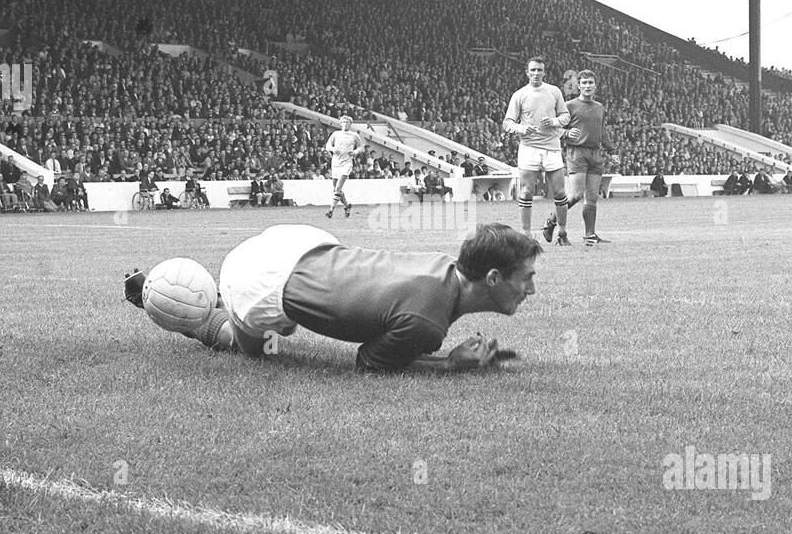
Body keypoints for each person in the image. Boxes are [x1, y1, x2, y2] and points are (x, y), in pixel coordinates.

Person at [123, 222, 539, 374]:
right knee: (251, 349)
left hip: (299, 242)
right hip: (259, 279)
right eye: (527, 279)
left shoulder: (442, 265)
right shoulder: (426, 324)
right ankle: (165, 298)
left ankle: (203, 294)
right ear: (493, 276)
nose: (531, 290)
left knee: (268, 321)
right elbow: (369, 363)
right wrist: (449, 364)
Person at [504, 57, 571, 244]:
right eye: (532, 70)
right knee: (526, 192)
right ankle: (526, 235)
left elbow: (565, 116)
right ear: (527, 72)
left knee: (559, 192)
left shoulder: (554, 91)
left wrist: (555, 121)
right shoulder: (519, 95)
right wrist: (521, 128)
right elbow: (507, 122)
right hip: (529, 148)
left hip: (551, 147)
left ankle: (562, 234)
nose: (536, 73)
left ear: (544, 72)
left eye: (539, 70)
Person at [546, 69, 611, 246]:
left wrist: (612, 150)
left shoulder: (600, 107)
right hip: (577, 153)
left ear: (595, 85)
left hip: (595, 154)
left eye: (590, 83)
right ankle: (551, 221)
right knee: (576, 194)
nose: (587, 86)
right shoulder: (569, 106)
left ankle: (590, 235)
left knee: (592, 197)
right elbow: (554, 128)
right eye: (584, 83)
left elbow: (602, 131)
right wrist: (566, 133)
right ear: (579, 86)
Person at [323, 114, 363, 219]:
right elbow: (328, 145)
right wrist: (332, 149)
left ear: (350, 124)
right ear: (341, 123)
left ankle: (331, 210)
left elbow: (361, 147)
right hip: (336, 162)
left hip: (347, 163)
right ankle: (347, 205)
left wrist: (354, 152)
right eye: (343, 122)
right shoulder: (336, 134)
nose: (345, 124)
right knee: (336, 189)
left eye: (347, 122)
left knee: (338, 188)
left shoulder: (354, 135)